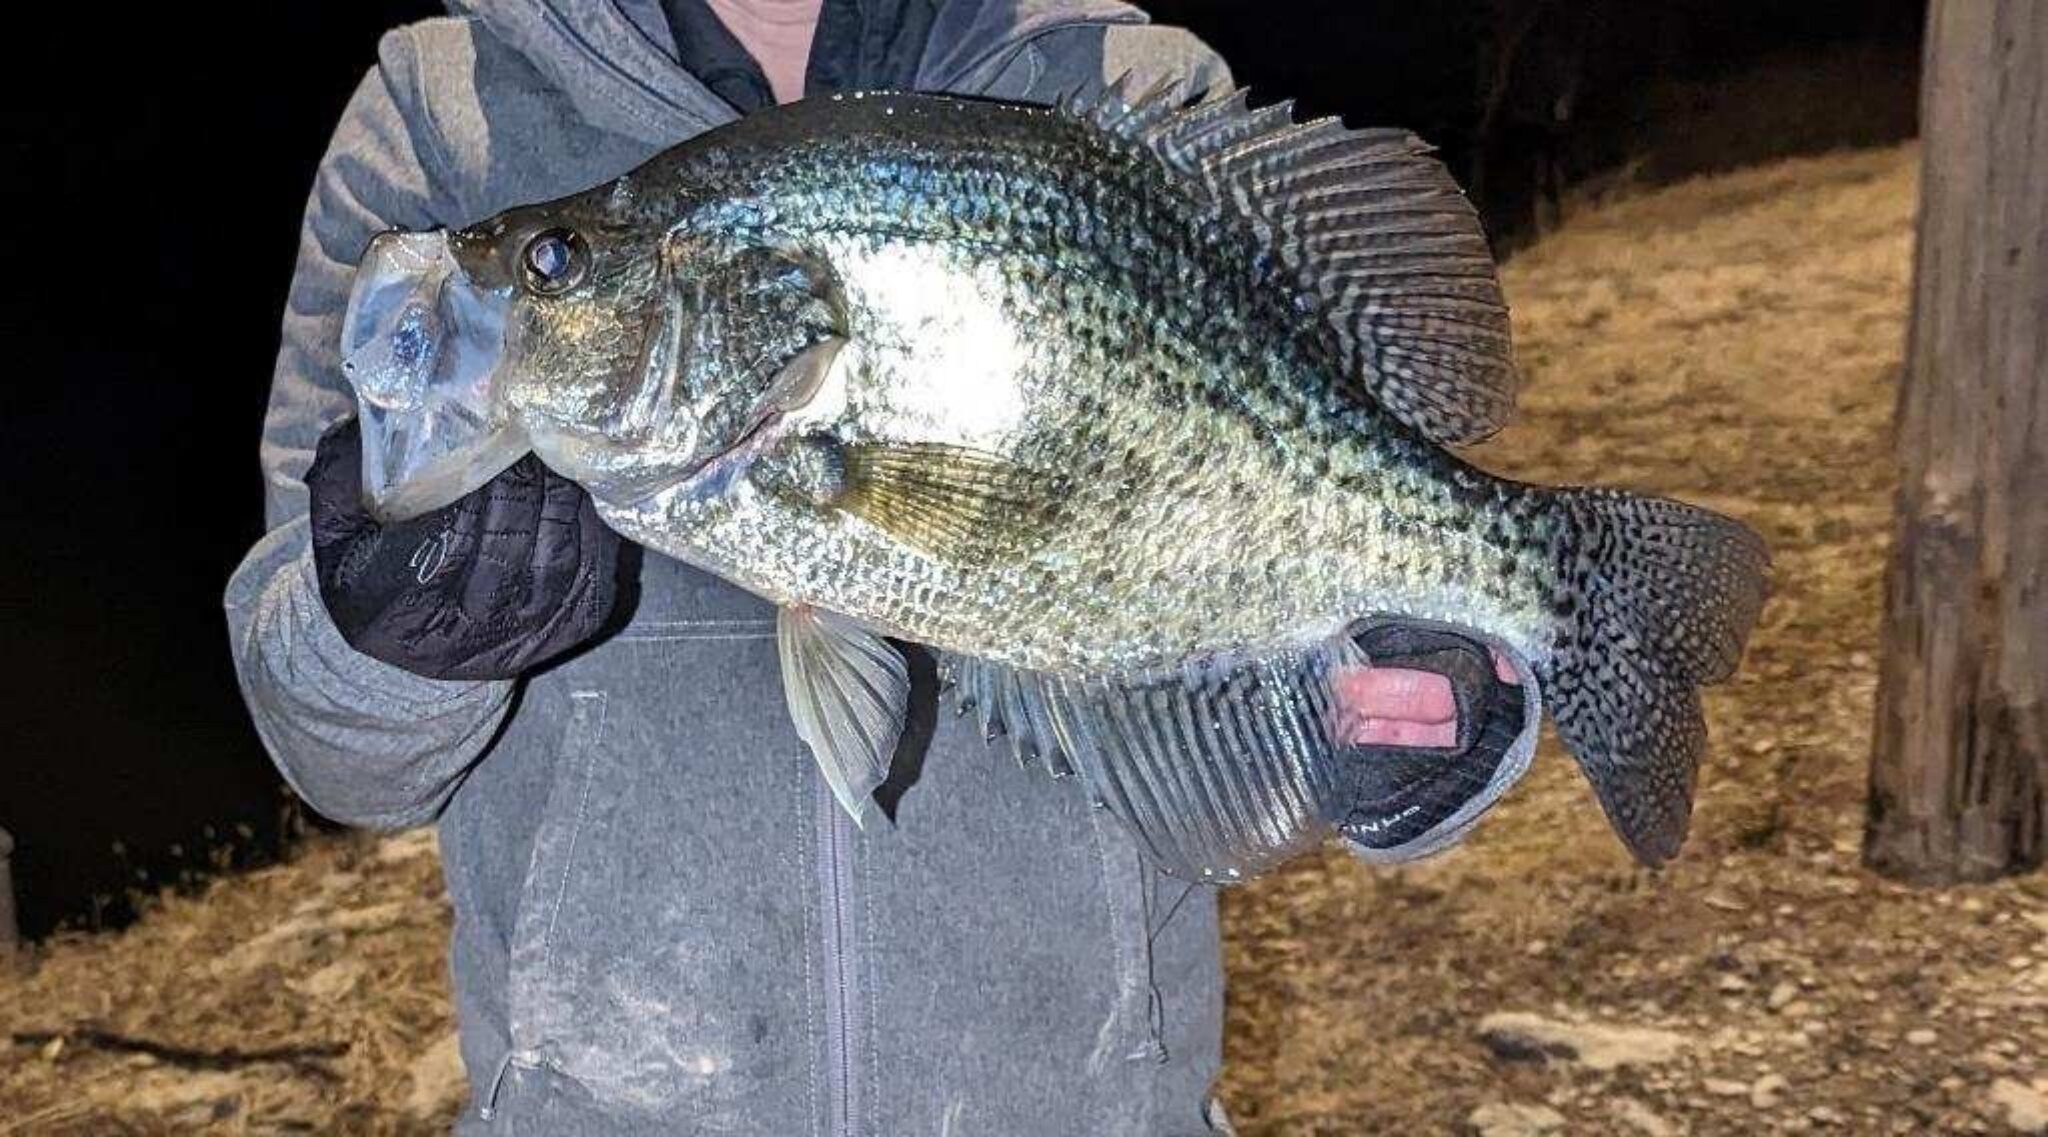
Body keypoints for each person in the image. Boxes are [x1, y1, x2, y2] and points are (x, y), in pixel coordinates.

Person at [223, 2, 1532, 1132]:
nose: (521, 282)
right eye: (548, 260)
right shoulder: (440, 118)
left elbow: (1342, 512)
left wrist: (1416, 704)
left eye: (556, 263)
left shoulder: (1124, 82)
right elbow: (336, 755)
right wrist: (378, 626)